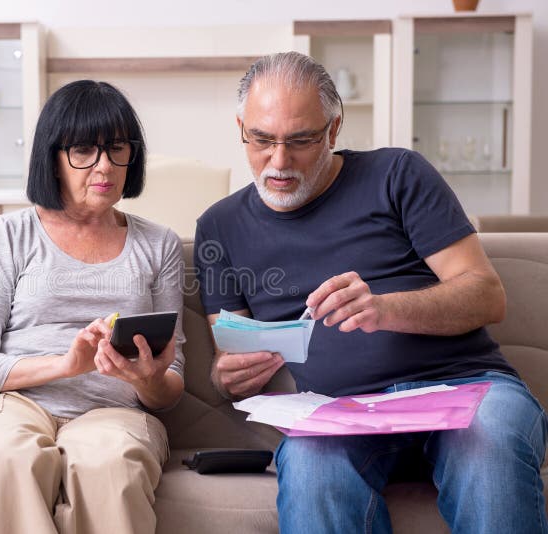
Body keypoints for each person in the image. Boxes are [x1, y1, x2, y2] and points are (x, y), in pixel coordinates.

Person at [194, 51, 548, 533]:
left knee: (486, 448)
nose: (278, 160)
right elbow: (229, 355)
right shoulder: (219, 227)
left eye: (300, 140)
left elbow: (487, 295)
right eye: (261, 139)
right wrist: (228, 377)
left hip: (467, 388)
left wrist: (384, 309)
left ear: (334, 130)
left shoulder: (397, 175)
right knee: (311, 463)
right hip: (339, 415)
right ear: (241, 127)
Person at [0, 80, 185, 534]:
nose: (104, 166)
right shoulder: (9, 235)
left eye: (117, 149)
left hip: (114, 414)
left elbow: (173, 381)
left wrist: (150, 378)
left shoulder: (158, 245)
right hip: (11, 405)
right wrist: (65, 364)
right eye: (83, 150)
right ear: (53, 158)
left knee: (109, 464)